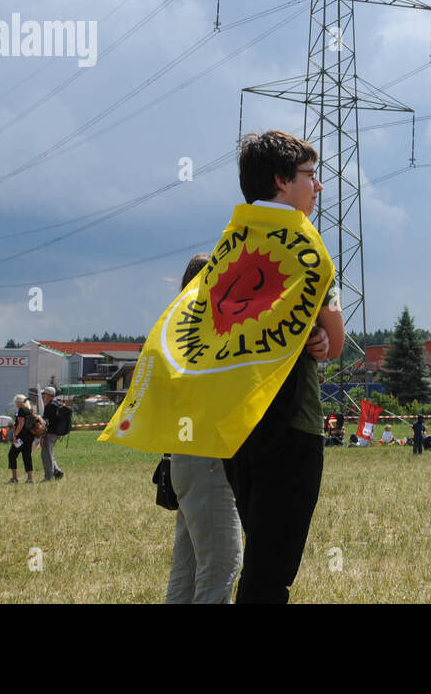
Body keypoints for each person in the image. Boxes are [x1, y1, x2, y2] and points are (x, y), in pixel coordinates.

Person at [222, 130, 343, 603]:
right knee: (271, 573)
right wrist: (317, 337)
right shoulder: (306, 248)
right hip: (292, 422)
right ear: (280, 181)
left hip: (235, 422)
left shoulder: (229, 246)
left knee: (259, 555)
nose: (317, 187)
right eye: (310, 176)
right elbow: (335, 342)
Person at [167, 253, 244, 605]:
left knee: (188, 568)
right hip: (210, 457)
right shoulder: (212, 332)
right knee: (221, 567)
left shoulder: (178, 329)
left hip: (185, 458)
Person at [38, 386, 66, 482]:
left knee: (46, 455)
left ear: (49, 395)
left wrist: (42, 437)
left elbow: (45, 423)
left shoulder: (49, 406)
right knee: (47, 453)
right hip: (57, 433)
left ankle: (48, 476)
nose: (43, 396)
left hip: (50, 433)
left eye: (44, 394)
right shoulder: (58, 403)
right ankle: (57, 471)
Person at [7, 395, 36, 483]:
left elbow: (20, 424)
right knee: (27, 457)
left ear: (19, 403)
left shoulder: (21, 410)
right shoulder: (29, 410)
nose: (15, 405)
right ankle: (30, 478)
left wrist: (15, 435)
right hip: (29, 437)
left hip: (21, 439)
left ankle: (15, 478)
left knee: (12, 455)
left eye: (15, 403)